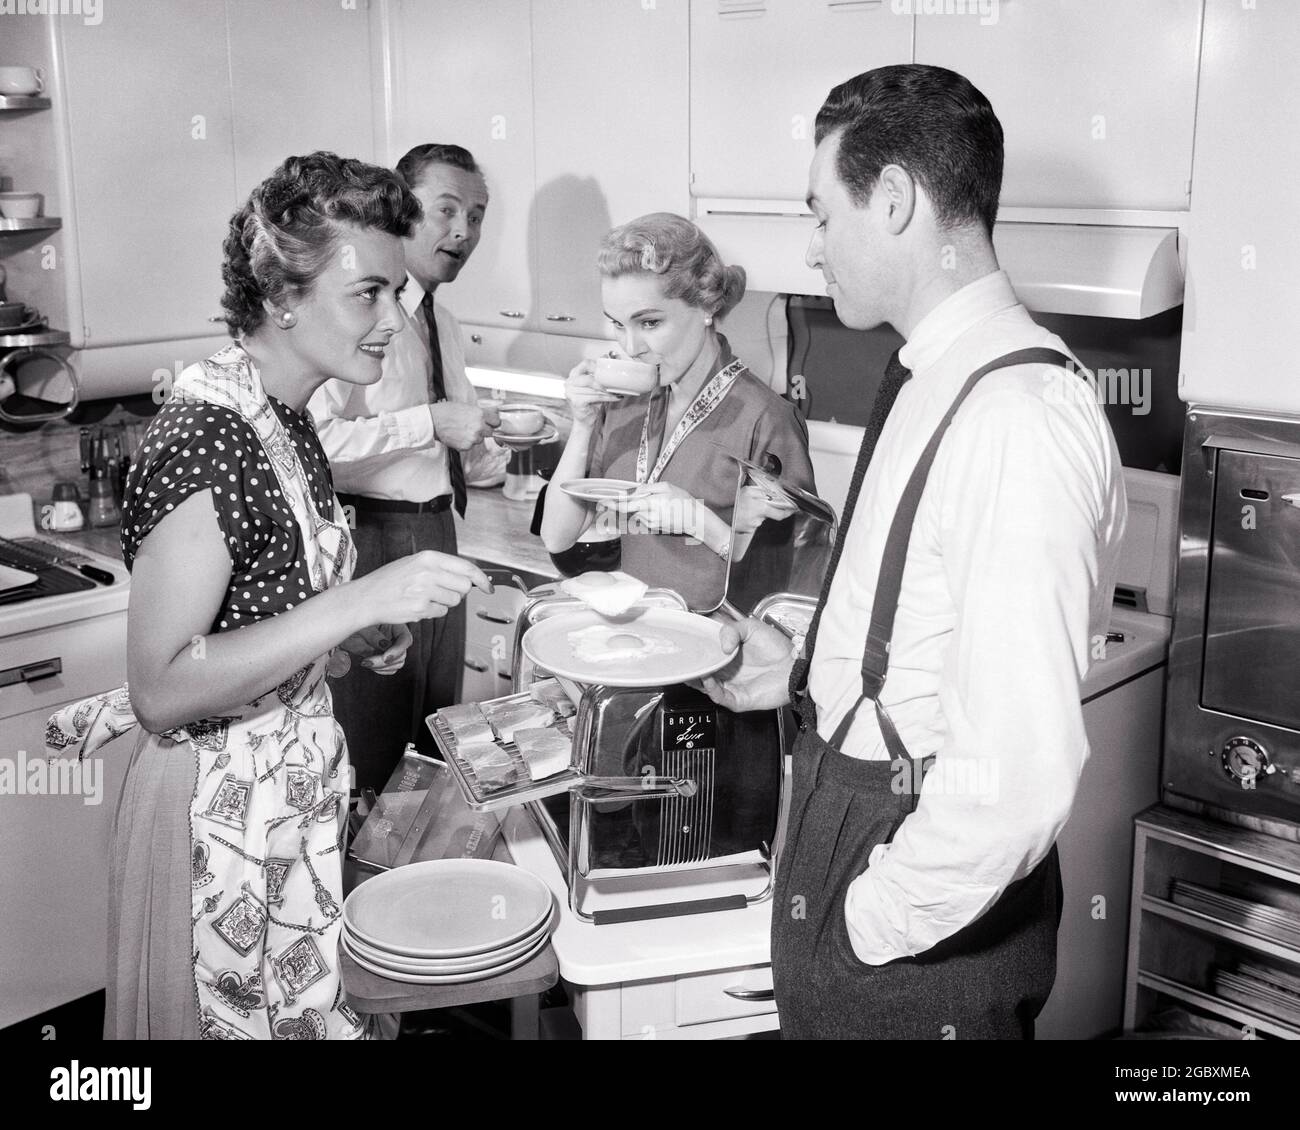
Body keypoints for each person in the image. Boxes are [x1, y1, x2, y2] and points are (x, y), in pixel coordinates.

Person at [700, 65, 1127, 1039]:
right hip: (858, 833)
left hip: (913, 923)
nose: (812, 248)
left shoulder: (1016, 416)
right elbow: (922, 623)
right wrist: (807, 668)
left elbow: (1017, 775)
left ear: (892, 199)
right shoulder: (936, 370)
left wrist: (868, 922)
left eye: (820, 214)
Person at [45, 152, 491, 1040]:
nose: (394, 324)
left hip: (282, 810)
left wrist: (339, 646)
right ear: (283, 295)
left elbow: (248, 622)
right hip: (220, 826)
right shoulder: (207, 432)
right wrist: (355, 604)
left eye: (397, 295)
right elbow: (163, 686)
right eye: (368, 293)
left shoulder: (282, 414)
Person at [309, 144, 505, 786]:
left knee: (433, 741)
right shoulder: (355, 316)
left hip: (437, 534)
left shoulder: (443, 322)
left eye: (475, 216)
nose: (463, 232)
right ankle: (355, 882)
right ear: (401, 210)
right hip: (372, 540)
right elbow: (317, 442)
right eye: (446, 210)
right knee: (372, 746)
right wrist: (430, 423)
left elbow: (457, 456)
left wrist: (483, 448)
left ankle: (421, 881)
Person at [540, 212, 815, 610]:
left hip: (716, 658)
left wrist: (698, 522)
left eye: (649, 323)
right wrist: (582, 425)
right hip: (631, 645)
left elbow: (787, 588)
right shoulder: (624, 405)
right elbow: (558, 536)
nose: (631, 346)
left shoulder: (765, 420)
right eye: (617, 324)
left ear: (705, 305)